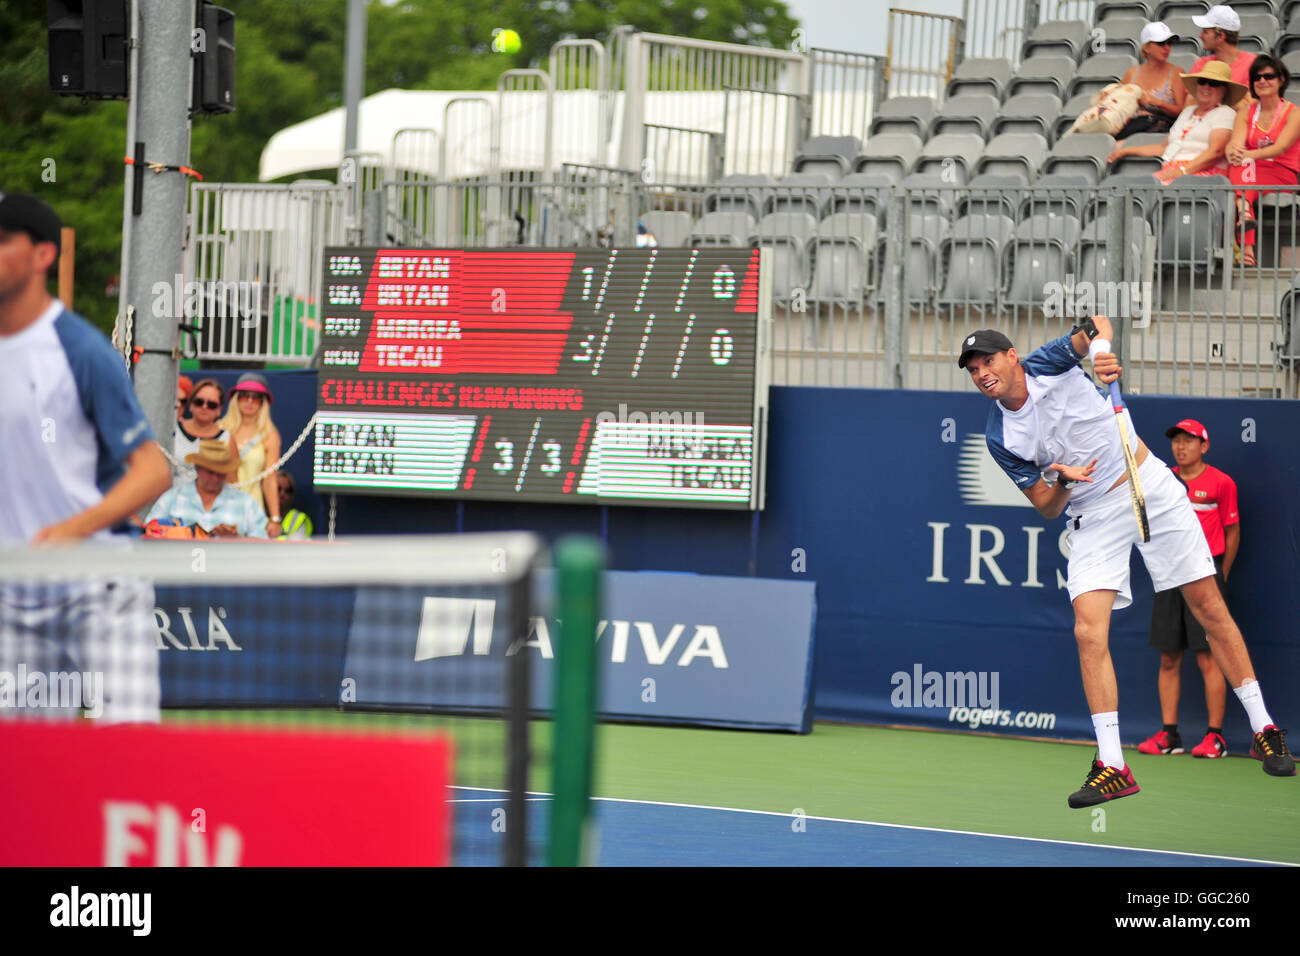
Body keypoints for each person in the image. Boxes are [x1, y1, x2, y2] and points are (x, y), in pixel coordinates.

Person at [958, 317, 1295, 806]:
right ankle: (1113, 764)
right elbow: (1048, 507)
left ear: (1011, 356)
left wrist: (1101, 352)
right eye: (972, 368)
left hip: (1146, 484)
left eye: (988, 360)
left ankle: (1264, 727)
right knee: (1087, 630)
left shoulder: (1048, 362)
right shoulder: (1000, 438)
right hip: (1090, 512)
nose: (982, 372)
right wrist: (1065, 480)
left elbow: (1096, 323)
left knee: (1208, 607)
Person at [0, 191, 171, 723]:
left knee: (132, 758)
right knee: (23, 777)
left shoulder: (82, 351)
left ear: (43, 255)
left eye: (4, 240)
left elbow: (153, 470)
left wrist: (72, 530)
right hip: (13, 598)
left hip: (100, 589)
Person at [1138, 419, 1239, 759]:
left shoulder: (1221, 483)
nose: (1181, 447)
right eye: (1176, 441)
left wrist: (1219, 576)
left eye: (1189, 441)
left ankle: (1215, 737)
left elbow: (1232, 531)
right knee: (1169, 657)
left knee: (1209, 657)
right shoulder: (1163, 478)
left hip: (1206, 575)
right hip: (1169, 575)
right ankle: (1170, 735)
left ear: (1204, 446)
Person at [1106, 60, 1244, 185]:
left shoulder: (1225, 113)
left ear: (1224, 90)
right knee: (1135, 189)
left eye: (1213, 84)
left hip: (1204, 177)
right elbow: (1163, 148)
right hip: (1174, 173)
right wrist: (1125, 151)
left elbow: (1217, 151)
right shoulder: (1187, 112)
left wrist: (1183, 171)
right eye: (1202, 81)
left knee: (1149, 191)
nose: (1206, 87)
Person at [1226, 55, 1300, 267]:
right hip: (1250, 170)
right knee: (1237, 167)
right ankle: (1245, 218)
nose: (1262, 81)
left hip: (1281, 171)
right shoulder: (1246, 112)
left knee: (1241, 172)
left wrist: (1245, 155)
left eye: (1269, 76)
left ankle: (1244, 222)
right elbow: (1236, 143)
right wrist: (1233, 151)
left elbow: (1281, 147)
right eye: (1257, 77)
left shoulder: (1295, 113)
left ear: (1282, 79)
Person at [146, 439, 271, 538]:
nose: (215, 478)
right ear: (197, 468)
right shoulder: (171, 498)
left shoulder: (246, 503)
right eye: (210, 472)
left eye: (221, 473)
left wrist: (236, 540)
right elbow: (148, 533)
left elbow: (262, 545)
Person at [218, 372, 283, 535]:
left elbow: (270, 479)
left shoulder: (270, 436)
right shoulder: (219, 429)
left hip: (253, 511)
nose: (249, 401)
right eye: (244, 396)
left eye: (256, 397)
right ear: (236, 399)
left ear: (263, 403)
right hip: (218, 508)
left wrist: (275, 518)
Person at [1116, 22, 1189, 138]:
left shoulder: (1176, 73)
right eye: (1161, 43)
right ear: (1146, 47)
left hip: (1161, 132)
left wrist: (1157, 103)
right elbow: (1117, 105)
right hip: (1131, 130)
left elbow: (1182, 111)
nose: (1167, 48)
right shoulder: (1132, 73)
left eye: (1169, 43)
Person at [1190, 5, 1256, 109]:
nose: (1200, 36)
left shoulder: (1253, 64)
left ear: (1221, 36)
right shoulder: (1200, 64)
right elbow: (1189, 104)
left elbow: (1251, 107)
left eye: (1205, 32)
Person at [172, 377, 237, 483]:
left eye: (211, 404)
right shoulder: (173, 431)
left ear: (219, 410)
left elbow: (233, 482)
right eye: (199, 402)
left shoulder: (227, 438)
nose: (204, 407)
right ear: (191, 405)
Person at [274, 471, 314, 540]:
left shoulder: (298, 519)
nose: (282, 494)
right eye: (278, 489)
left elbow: (296, 548)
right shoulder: (259, 516)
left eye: (288, 490)